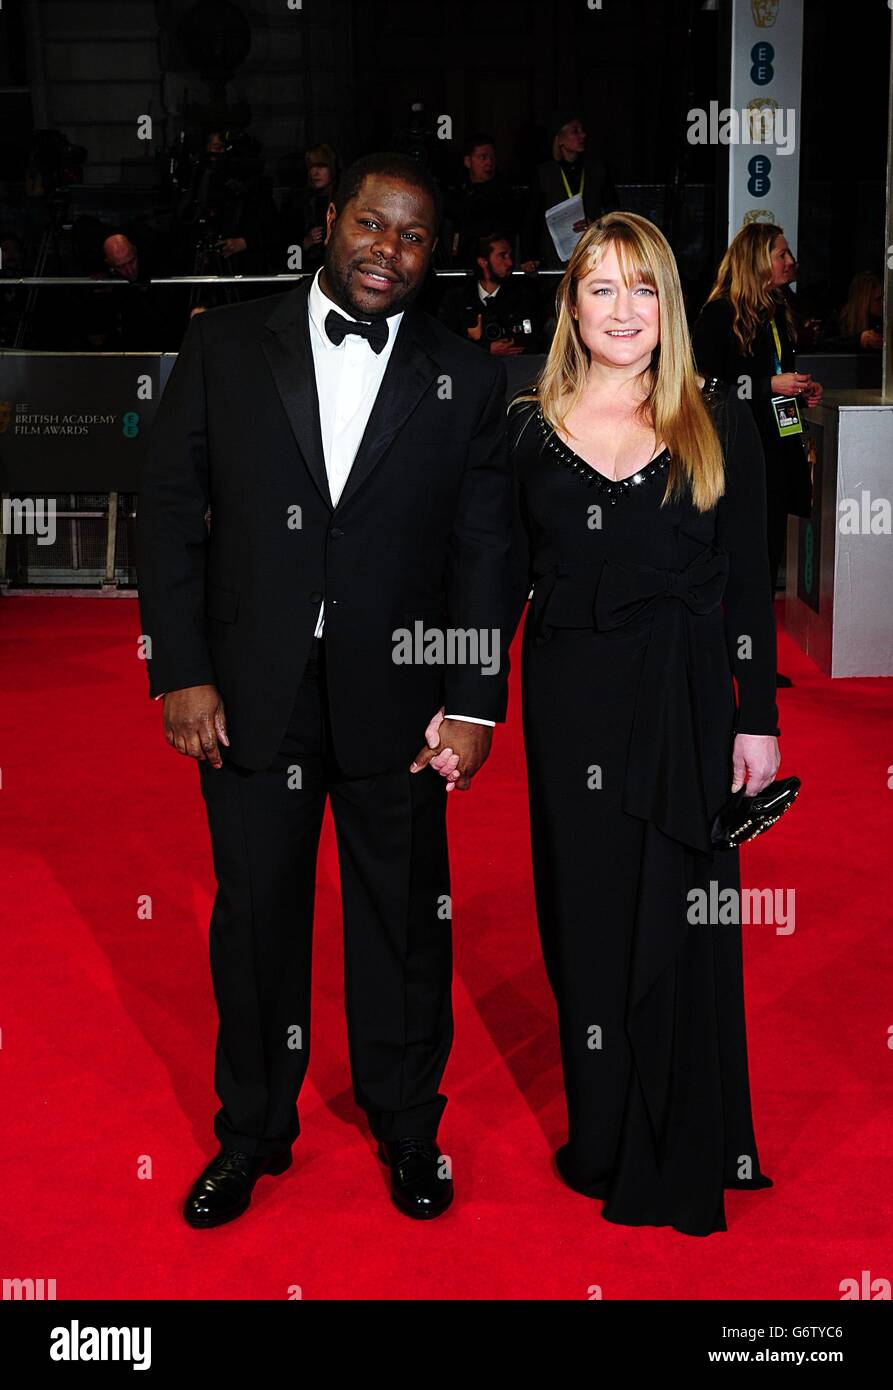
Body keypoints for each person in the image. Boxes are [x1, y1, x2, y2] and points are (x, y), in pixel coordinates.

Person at [137, 151, 516, 1229]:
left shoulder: (467, 376)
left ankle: (406, 1125)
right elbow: (169, 511)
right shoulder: (222, 343)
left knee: (402, 921)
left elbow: (484, 550)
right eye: (369, 223)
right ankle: (251, 1131)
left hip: (398, 695)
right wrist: (182, 670)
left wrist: (474, 699)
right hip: (250, 690)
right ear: (330, 219)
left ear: (429, 250)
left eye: (409, 234)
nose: (385, 249)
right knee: (255, 918)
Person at [505, 212, 780, 1237]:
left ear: (669, 304)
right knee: (583, 916)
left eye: (644, 288)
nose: (623, 310)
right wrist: (458, 697)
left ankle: (694, 1134)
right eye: (601, 288)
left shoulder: (717, 416)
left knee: (682, 913)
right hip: (567, 700)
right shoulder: (524, 424)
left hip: (686, 701)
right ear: (570, 305)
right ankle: (603, 1130)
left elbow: (746, 587)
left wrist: (755, 719)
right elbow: (493, 579)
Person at [691, 223, 822, 687]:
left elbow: (775, 374)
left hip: (777, 447)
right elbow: (705, 386)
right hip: (735, 452)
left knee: (764, 557)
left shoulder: (777, 310)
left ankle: (754, 661)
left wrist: (798, 389)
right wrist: (770, 385)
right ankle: (727, 656)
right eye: (783, 254)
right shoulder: (718, 313)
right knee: (738, 557)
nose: (792, 262)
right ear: (758, 260)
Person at [531, 113, 617, 271]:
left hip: (592, 250)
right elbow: (532, 216)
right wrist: (530, 255)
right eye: (575, 131)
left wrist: (598, 224)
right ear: (560, 139)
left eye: (582, 130)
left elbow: (614, 210)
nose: (583, 135)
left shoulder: (597, 170)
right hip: (554, 255)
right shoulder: (544, 172)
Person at [438, 231, 543, 355]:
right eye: (502, 256)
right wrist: (484, 348)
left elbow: (535, 341)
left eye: (510, 256)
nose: (509, 262)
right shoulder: (457, 299)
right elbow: (444, 344)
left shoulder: (523, 297)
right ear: (483, 261)